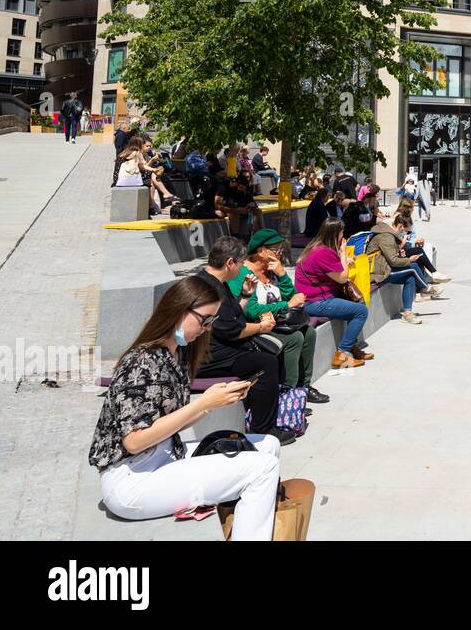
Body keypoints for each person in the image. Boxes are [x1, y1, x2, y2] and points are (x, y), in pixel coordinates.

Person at [89, 275, 283, 540]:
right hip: (132, 479)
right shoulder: (141, 362)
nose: (206, 328)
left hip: (164, 457)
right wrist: (203, 403)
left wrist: (216, 402)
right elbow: (134, 442)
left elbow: (175, 420)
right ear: (179, 310)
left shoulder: (177, 354)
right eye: (204, 319)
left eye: (212, 321)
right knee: (262, 468)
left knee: (269, 444)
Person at [194, 237, 294, 444]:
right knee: (266, 363)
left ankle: (275, 409)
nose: (242, 269)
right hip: (208, 356)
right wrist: (260, 328)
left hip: (218, 346)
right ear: (230, 263)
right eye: (240, 264)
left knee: (270, 353)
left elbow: (229, 318)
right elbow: (232, 331)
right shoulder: (210, 290)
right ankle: (263, 428)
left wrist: (246, 296)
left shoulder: (212, 282)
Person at [228, 230, 326, 407]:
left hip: (279, 322)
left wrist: (282, 275)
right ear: (260, 251)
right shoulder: (242, 273)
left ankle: (303, 388)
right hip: (254, 327)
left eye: (281, 248)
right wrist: (285, 306)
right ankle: (288, 394)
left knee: (309, 332)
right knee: (294, 339)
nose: (279, 252)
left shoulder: (272, 271)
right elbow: (252, 310)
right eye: (275, 249)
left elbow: (293, 296)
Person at [294, 218, 373, 368]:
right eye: (342, 232)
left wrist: (343, 259)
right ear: (336, 233)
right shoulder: (324, 252)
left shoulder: (315, 246)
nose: (343, 236)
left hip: (313, 297)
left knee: (358, 301)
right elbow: (343, 278)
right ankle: (342, 354)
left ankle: (351, 345)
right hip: (315, 301)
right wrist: (343, 253)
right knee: (361, 311)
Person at [367, 212, 436, 324]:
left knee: (411, 278)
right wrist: (409, 260)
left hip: (385, 267)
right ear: (400, 226)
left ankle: (407, 313)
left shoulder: (388, 234)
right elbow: (393, 261)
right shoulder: (386, 237)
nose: (403, 234)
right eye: (403, 231)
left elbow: (391, 256)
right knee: (412, 266)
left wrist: (401, 253)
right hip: (380, 272)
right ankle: (425, 288)